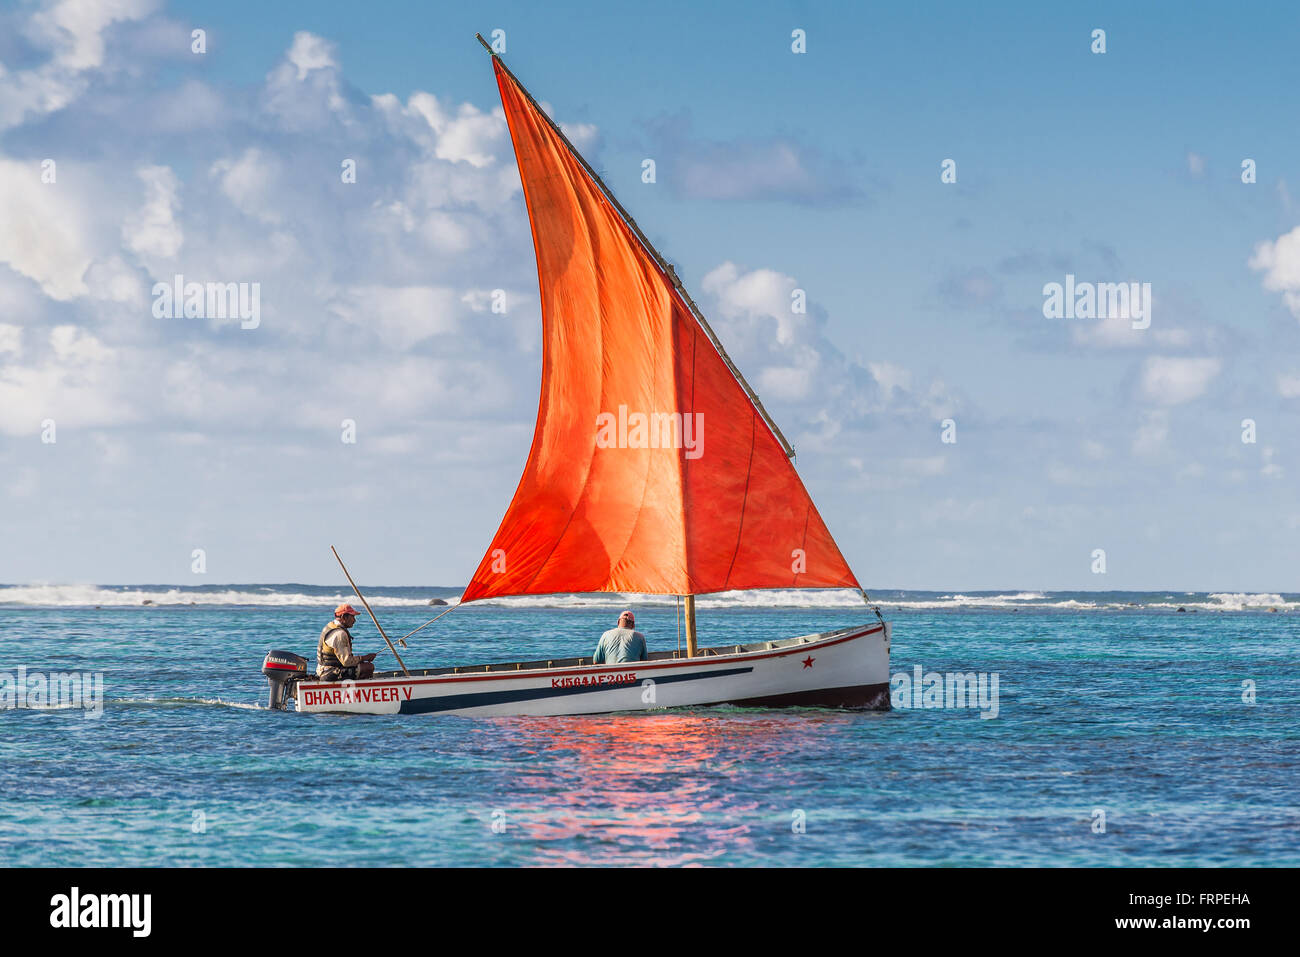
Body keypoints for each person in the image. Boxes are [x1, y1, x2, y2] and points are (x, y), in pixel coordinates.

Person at [318, 603, 377, 681]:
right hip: (329, 673)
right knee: (368, 667)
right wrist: (365, 658)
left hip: (322, 669)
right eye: (352, 617)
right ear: (344, 617)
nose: (354, 620)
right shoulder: (339, 634)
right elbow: (347, 662)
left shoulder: (329, 626)